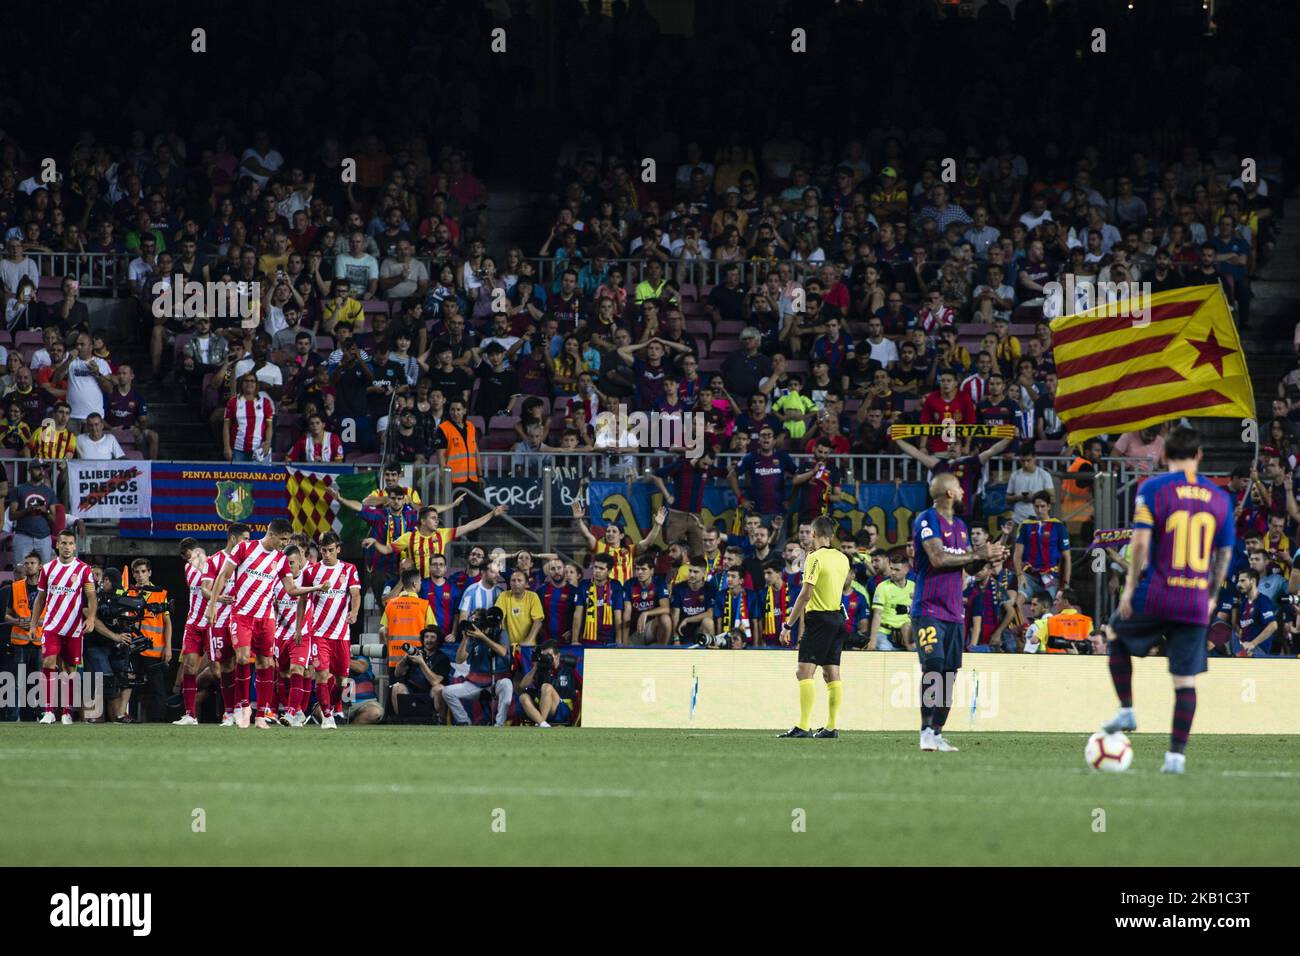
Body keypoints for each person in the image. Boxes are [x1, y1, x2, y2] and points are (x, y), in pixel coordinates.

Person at [1102, 426, 1233, 774]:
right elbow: (1224, 553)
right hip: (1194, 601)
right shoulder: (1220, 498)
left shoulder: (1152, 488)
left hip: (1158, 593)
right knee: (1185, 682)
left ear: (1163, 455)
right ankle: (1175, 757)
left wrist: (1130, 589)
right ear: (1199, 456)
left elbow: (1141, 542)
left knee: (1114, 634)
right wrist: (1211, 596)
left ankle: (1127, 708)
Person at [911, 473, 1007, 751]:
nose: (965, 492)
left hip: (954, 611)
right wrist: (978, 554)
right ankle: (925, 730)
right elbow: (938, 558)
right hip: (928, 608)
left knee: (950, 673)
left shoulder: (962, 526)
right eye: (960, 488)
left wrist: (986, 556)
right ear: (949, 494)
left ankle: (938, 732)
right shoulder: (927, 519)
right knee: (934, 665)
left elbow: (968, 566)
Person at [206, 519, 320, 728]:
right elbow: (224, 575)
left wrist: (315, 587)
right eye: (283, 539)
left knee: (265, 663)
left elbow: (291, 590)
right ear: (273, 534)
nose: (285, 544)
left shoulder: (281, 559)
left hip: (265, 618)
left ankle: (260, 716)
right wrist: (212, 605)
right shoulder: (245, 548)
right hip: (242, 614)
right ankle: (243, 706)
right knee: (241, 658)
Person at [778, 515, 850, 738]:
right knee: (832, 673)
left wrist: (788, 626)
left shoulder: (814, 558)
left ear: (814, 534)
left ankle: (803, 725)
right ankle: (831, 727)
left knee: (804, 672)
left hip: (819, 619)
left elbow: (805, 594)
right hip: (838, 618)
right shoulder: (843, 558)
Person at [30, 530, 97, 724]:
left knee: (69, 670)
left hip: (74, 628)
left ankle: (66, 712)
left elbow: (92, 597)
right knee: (48, 663)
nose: (67, 547)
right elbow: (40, 599)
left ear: (75, 546)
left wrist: (91, 618)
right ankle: (49, 711)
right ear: (57, 545)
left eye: (70, 543)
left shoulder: (84, 569)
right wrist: (34, 625)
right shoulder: (48, 568)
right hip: (52, 627)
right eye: (63, 543)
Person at [300, 531, 361, 730]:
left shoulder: (349, 569)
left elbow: (355, 593)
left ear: (338, 549)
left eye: (331, 550)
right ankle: (327, 716)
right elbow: (302, 600)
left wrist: (354, 611)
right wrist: (300, 626)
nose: (327, 554)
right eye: (323, 550)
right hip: (318, 633)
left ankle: (329, 706)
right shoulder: (312, 572)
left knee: (342, 681)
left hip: (341, 634)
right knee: (322, 675)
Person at [445, 608, 513, 726]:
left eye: (476, 619)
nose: (473, 622)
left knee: (507, 684)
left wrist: (483, 637)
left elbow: (503, 651)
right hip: (476, 683)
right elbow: (459, 660)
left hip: (496, 682)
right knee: (447, 691)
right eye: (472, 619)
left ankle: (499, 724)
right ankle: (464, 721)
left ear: (483, 620)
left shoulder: (499, 633)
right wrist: (465, 639)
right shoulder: (472, 638)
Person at [390, 626, 451, 723]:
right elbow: (397, 674)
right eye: (426, 637)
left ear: (438, 640)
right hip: (412, 689)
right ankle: (401, 720)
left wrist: (421, 662)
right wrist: (404, 660)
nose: (429, 640)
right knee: (397, 687)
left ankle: (440, 721)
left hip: (430, 691)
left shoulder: (442, 658)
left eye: (432, 637)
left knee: (439, 688)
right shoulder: (416, 652)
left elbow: (435, 682)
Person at [517, 640, 580, 727]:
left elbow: (584, 687)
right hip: (542, 705)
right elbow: (522, 685)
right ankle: (542, 724)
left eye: (549, 655)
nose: (546, 658)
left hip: (561, 708)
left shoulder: (569, 671)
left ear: (557, 656)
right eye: (544, 655)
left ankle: (540, 722)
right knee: (523, 697)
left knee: (547, 687)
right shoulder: (541, 669)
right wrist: (535, 668)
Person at [9, 461, 58, 564]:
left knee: (44, 573)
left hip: (43, 537)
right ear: (30, 471)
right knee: (21, 571)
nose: (41, 471)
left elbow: (54, 519)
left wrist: (45, 511)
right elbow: (12, 515)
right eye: (37, 469)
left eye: (43, 469)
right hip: (23, 535)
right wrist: (28, 510)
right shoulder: (19, 489)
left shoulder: (49, 492)